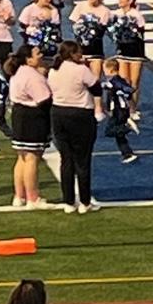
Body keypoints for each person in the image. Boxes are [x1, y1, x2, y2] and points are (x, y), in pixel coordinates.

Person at [48, 41, 101, 213]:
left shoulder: (54, 69)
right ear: (72, 54)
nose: (82, 55)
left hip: (58, 114)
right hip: (80, 114)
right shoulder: (81, 70)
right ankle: (85, 202)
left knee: (67, 159)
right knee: (83, 160)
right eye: (79, 52)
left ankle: (68, 201)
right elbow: (97, 88)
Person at [8, 46, 54, 210]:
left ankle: (19, 196)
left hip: (19, 114)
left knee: (22, 158)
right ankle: (32, 198)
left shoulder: (18, 73)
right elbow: (44, 100)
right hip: (32, 117)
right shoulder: (32, 76)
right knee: (32, 158)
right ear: (28, 59)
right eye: (37, 54)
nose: (41, 55)